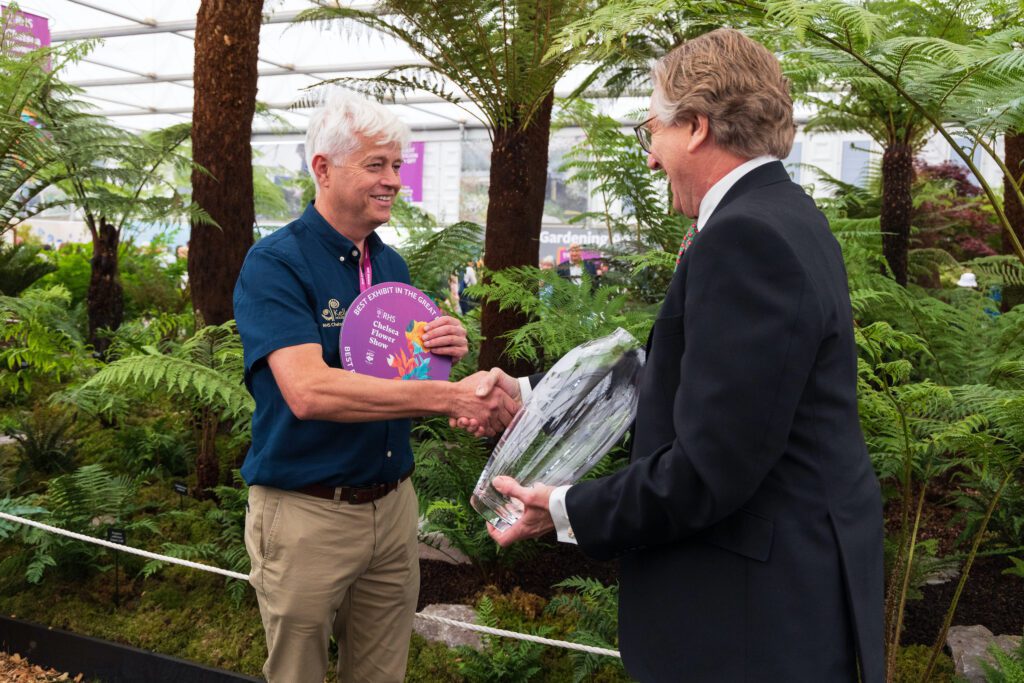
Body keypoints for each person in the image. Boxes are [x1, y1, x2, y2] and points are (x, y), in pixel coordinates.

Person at [466, 29, 884, 682]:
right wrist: (531, 395)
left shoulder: (745, 237)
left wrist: (565, 507)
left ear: (694, 126)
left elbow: (710, 468)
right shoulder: (786, 215)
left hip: (746, 628)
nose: (652, 160)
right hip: (781, 601)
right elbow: (700, 373)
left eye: (650, 131)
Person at [233, 91, 517, 683]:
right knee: (297, 673)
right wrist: (448, 398)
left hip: (392, 510)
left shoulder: (392, 268)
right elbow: (309, 391)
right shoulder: (275, 264)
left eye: (397, 165)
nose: (393, 180)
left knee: (382, 674)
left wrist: (442, 357)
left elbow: (401, 383)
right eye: (376, 165)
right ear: (323, 168)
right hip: (308, 511)